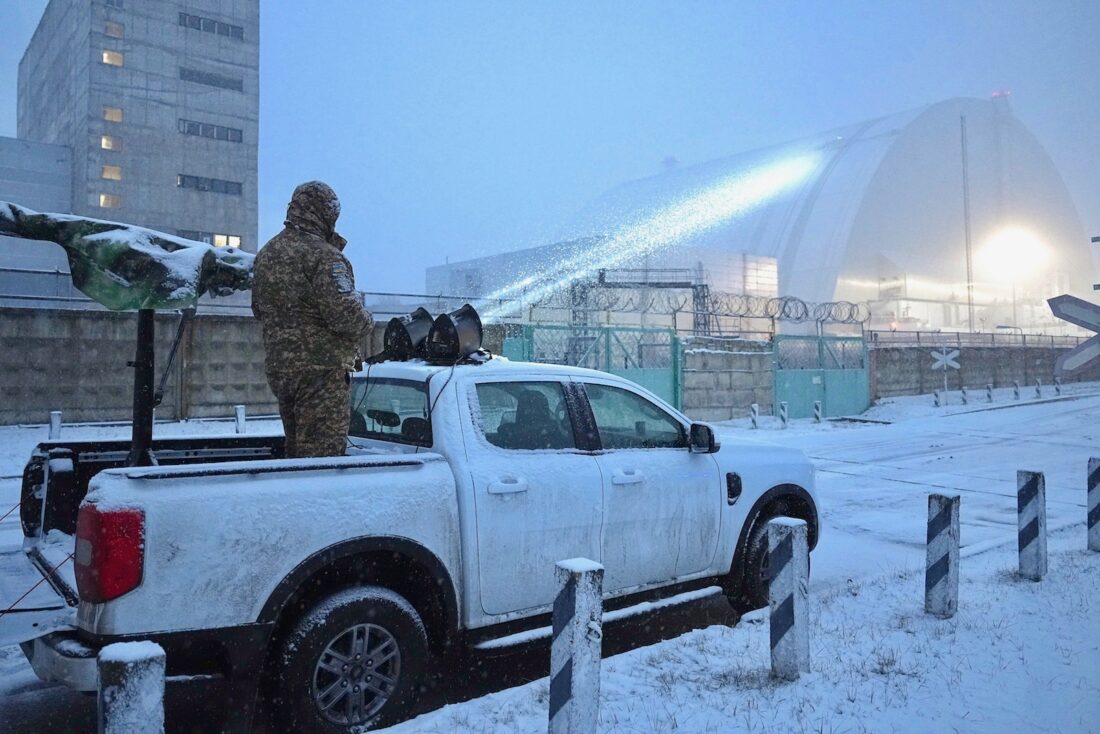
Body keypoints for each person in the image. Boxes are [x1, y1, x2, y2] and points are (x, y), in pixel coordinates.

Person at [252, 181, 372, 458]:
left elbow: (258, 308)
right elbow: (346, 315)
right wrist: (368, 320)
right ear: (324, 213)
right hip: (321, 369)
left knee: (295, 451)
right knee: (321, 457)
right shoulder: (324, 256)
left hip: (281, 368)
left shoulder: (267, 254)